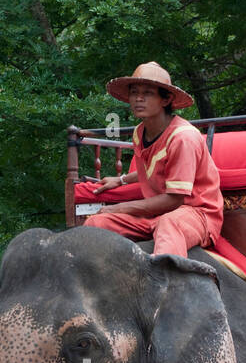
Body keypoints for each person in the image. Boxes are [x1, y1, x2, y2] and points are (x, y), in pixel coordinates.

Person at [85, 62, 223, 258]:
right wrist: (121, 180)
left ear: (165, 100)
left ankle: (167, 283)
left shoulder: (183, 138)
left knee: (169, 224)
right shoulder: (139, 132)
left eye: (148, 93)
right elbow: (151, 170)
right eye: (134, 92)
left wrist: (119, 207)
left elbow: (174, 200)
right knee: (96, 223)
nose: (138, 99)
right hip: (155, 214)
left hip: (194, 213)